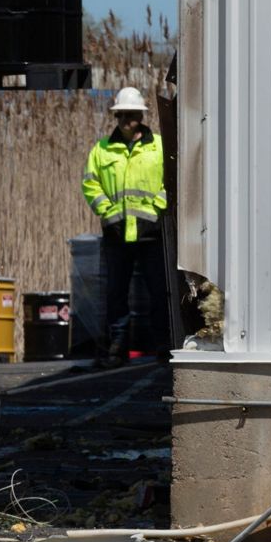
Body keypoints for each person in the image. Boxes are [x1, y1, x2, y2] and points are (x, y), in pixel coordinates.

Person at [81, 86, 170, 367]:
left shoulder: (159, 147)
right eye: (121, 116)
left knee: (159, 291)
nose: (126, 121)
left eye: (131, 115)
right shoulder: (102, 150)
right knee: (116, 294)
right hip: (117, 233)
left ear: (141, 116)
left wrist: (157, 207)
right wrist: (107, 211)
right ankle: (117, 348)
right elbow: (90, 183)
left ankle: (164, 345)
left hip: (150, 233)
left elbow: (172, 181)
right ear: (116, 117)